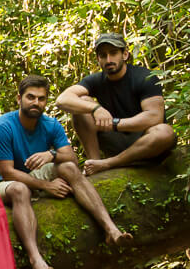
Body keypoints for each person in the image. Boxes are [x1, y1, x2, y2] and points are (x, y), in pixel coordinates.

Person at [0, 75, 131, 269]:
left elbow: (71, 158)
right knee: (20, 189)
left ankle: (111, 229)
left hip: (33, 175)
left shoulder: (50, 124)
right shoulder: (3, 126)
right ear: (19, 99)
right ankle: (35, 258)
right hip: (3, 184)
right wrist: (47, 186)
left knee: (69, 168)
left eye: (41, 98)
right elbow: (7, 172)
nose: (36, 103)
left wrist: (51, 154)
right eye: (31, 97)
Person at [56, 32, 177, 175]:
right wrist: (96, 108)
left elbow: (154, 117)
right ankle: (93, 163)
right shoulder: (96, 80)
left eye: (113, 53)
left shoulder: (144, 77)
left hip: (145, 141)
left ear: (125, 55)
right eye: (103, 55)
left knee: (165, 132)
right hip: (116, 140)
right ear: (98, 59)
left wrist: (114, 123)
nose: (108, 59)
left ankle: (108, 164)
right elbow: (62, 100)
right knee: (82, 103)